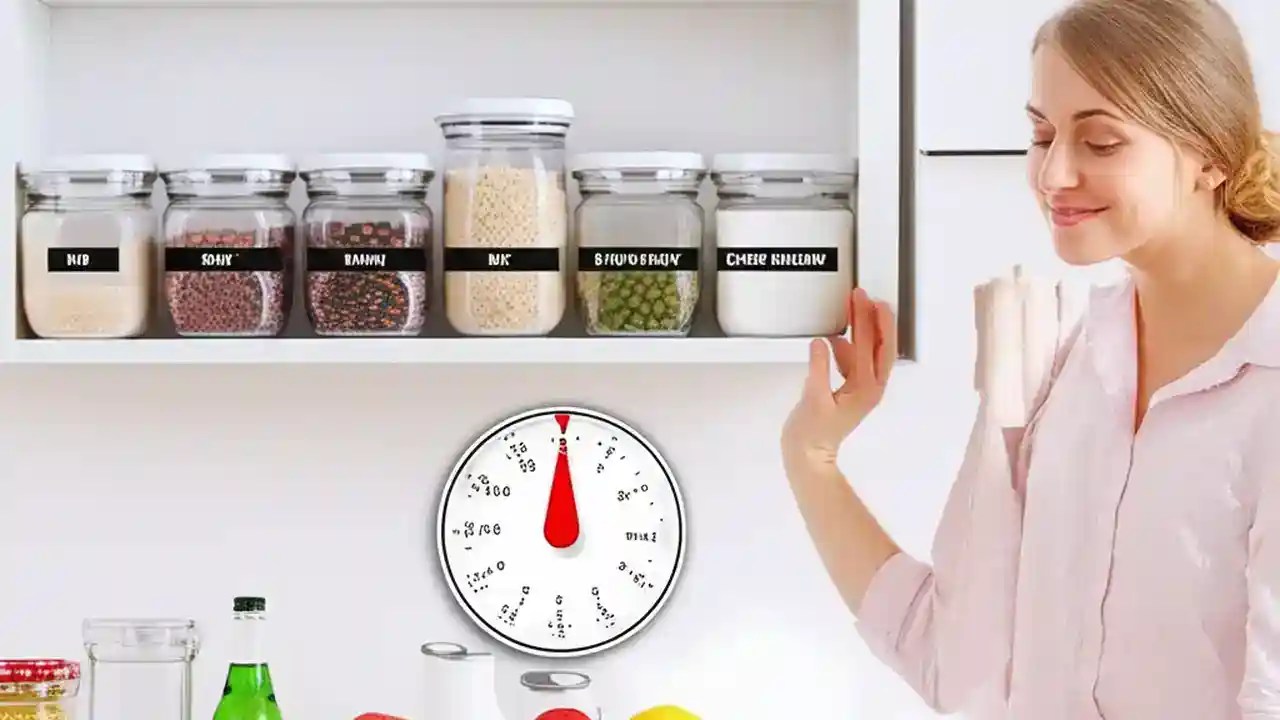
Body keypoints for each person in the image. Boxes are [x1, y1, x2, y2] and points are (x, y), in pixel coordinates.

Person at [780, 1, 1280, 718]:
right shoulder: (1058, 361)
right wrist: (811, 457)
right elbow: (959, 662)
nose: (1054, 175)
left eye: (1101, 142)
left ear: (1211, 158)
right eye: (1042, 135)